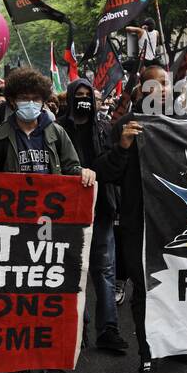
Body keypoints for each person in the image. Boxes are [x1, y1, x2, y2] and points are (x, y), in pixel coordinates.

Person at [0, 68, 96, 373]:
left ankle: (51, 367)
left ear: (44, 101)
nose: (29, 104)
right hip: (14, 230)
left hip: (53, 230)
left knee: (50, 296)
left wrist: (83, 173)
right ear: (13, 100)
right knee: (17, 297)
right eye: (23, 99)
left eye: (36, 99)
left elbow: (71, 167)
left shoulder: (56, 133)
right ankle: (17, 361)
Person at [97, 64, 169, 373]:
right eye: (156, 84)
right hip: (138, 224)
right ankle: (148, 357)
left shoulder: (184, 123)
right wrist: (123, 146)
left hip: (177, 224)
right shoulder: (126, 126)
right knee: (144, 290)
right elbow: (105, 174)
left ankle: (178, 344)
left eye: (167, 84)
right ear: (142, 91)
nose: (163, 90)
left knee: (176, 285)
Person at [58, 78, 127, 354]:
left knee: (105, 270)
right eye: (79, 94)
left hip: (101, 209)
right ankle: (79, 326)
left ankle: (108, 330)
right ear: (71, 97)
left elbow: (112, 165)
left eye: (88, 94)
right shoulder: (58, 129)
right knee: (74, 271)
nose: (84, 98)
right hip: (68, 210)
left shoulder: (103, 127)